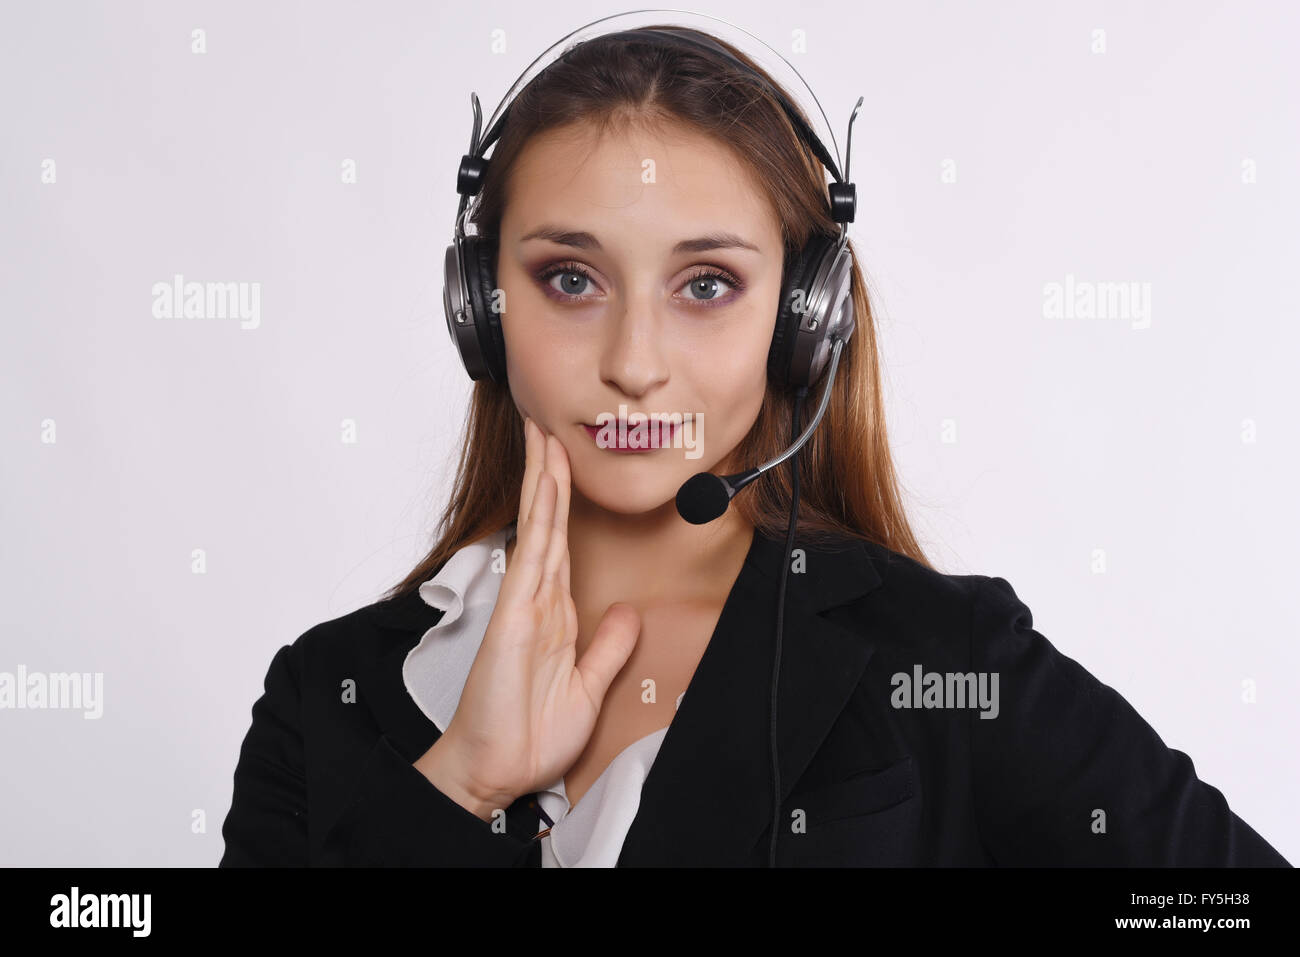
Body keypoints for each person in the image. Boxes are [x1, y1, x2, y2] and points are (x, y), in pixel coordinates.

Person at [218, 21, 1290, 867]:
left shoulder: (940, 658)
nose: (635, 360)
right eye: (571, 279)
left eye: (706, 286)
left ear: (802, 319)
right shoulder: (329, 693)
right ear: (481, 308)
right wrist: (463, 784)